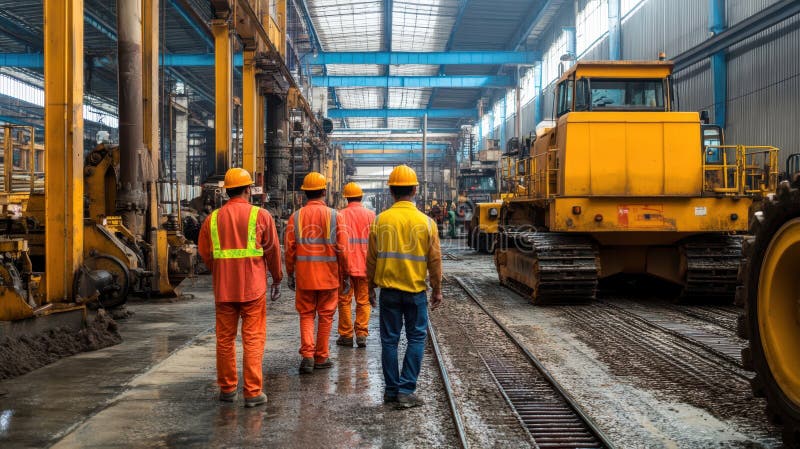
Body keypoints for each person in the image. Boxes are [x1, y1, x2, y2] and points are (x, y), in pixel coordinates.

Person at [197, 168, 282, 408]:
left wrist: (221, 271)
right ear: (247, 189)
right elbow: (273, 250)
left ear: (226, 192)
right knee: (253, 339)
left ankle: (227, 389)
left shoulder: (212, 219)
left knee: (225, 339)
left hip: (224, 289)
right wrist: (276, 278)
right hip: (253, 288)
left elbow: (205, 254)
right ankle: (253, 393)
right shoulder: (260, 216)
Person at [367, 165, 443, 409]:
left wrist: (369, 287)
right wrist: (437, 289)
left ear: (391, 191)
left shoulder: (380, 221)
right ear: (414, 190)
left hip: (388, 292)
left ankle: (391, 391)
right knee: (416, 339)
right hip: (415, 293)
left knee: (389, 341)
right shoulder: (427, 223)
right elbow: (435, 261)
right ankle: (406, 390)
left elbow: (371, 259)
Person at [285, 172, 350, 374]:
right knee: (326, 315)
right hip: (329, 277)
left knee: (306, 315)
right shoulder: (335, 216)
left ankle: (307, 356)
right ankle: (321, 357)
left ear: (305, 193)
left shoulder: (295, 217)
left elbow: (289, 250)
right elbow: (343, 249)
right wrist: (345, 275)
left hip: (304, 277)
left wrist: (290, 273)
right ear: (324, 191)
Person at [336, 182, 376, 348]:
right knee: (364, 301)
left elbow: (337, 243)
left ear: (346, 198)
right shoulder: (371, 216)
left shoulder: (340, 215)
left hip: (345, 267)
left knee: (344, 300)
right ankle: (361, 334)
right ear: (361, 197)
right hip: (365, 267)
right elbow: (375, 244)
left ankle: (346, 335)